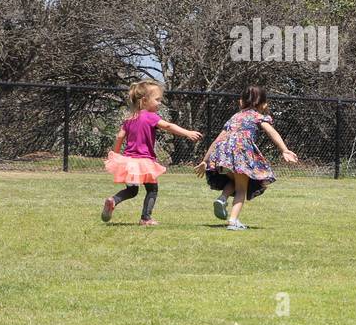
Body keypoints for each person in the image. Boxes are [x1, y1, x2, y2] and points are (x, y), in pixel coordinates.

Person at [196, 85, 297, 230]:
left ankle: (222, 198)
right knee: (242, 188)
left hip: (223, 154)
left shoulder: (234, 117)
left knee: (235, 179)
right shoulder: (258, 116)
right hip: (241, 154)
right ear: (264, 104)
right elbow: (272, 132)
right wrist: (284, 150)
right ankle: (233, 221)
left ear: (241, 102)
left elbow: (218, 139)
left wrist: (205, 161)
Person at [101, 80, 201, 226]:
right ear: (145, 101)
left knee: (132, 191)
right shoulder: (150, 116)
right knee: (152, 190)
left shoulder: (129, 119)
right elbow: (167, 125)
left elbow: (119, 136)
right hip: (144, 162)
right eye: (157, 99)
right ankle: (145, 218)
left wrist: (116, 155)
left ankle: (113, 200)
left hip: (129, 162)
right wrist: (187, 133)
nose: (160, 103)